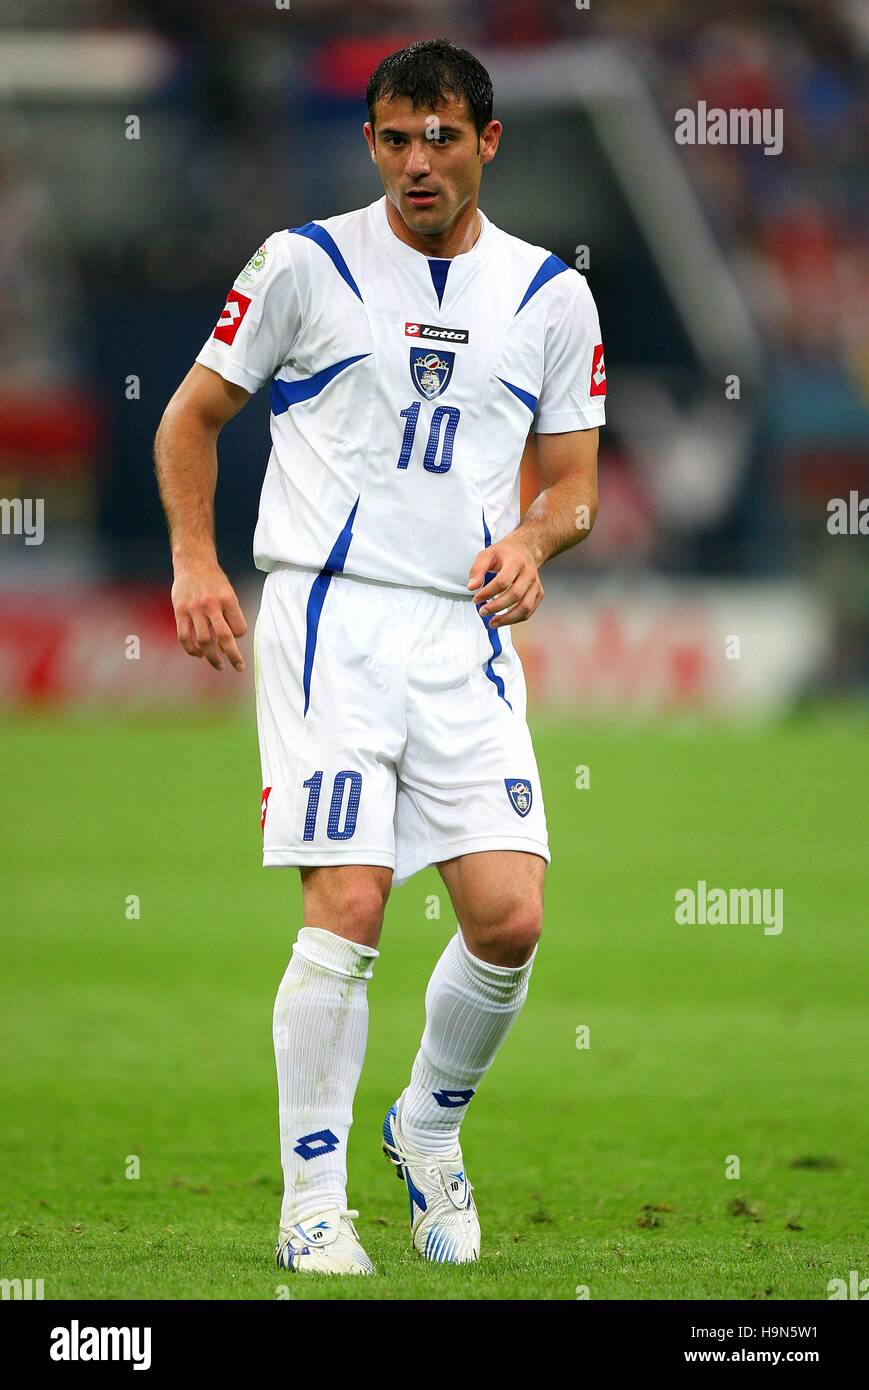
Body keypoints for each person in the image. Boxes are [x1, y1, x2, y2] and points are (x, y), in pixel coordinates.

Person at [154, 37, 605, 1275]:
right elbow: (188, 416)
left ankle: (425, 1126)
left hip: (463, 630)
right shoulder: (303, 263)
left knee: (508, 919)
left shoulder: (549, 297)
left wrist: (530, 538)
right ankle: (312, 1202)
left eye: (441, 137)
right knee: (347, 902)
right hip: (329, 620)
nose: (417, 162)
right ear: (370, 143)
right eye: (395, 138)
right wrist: (196, 563)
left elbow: (573, 487)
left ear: (487, 143)